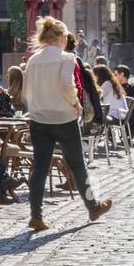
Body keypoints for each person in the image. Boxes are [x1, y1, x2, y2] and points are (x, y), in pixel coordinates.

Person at [23, 16, 113, 232]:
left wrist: (36, 107)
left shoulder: (33, 59)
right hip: (63, 118)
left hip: (38, 119)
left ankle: (36, 216)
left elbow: (26, 91)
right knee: (77, 165)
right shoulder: (66, 58)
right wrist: (75, 103)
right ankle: (93, 206)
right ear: (61, 38)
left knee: (40, 168)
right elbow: (66, 84)